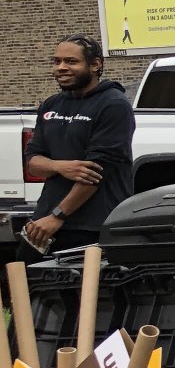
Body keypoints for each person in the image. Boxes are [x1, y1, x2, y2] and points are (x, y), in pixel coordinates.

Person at [21, 34, 134, 257]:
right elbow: (32, 162)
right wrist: (60, 167)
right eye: (56, 61)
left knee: (87, 291)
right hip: (44, 220)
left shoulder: (113, 105)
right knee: (26, 284)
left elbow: (93, 173)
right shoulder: (51, 104)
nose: (61, 67)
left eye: (71, 62)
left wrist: (57, 216)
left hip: (92, 224)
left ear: (95, 65)